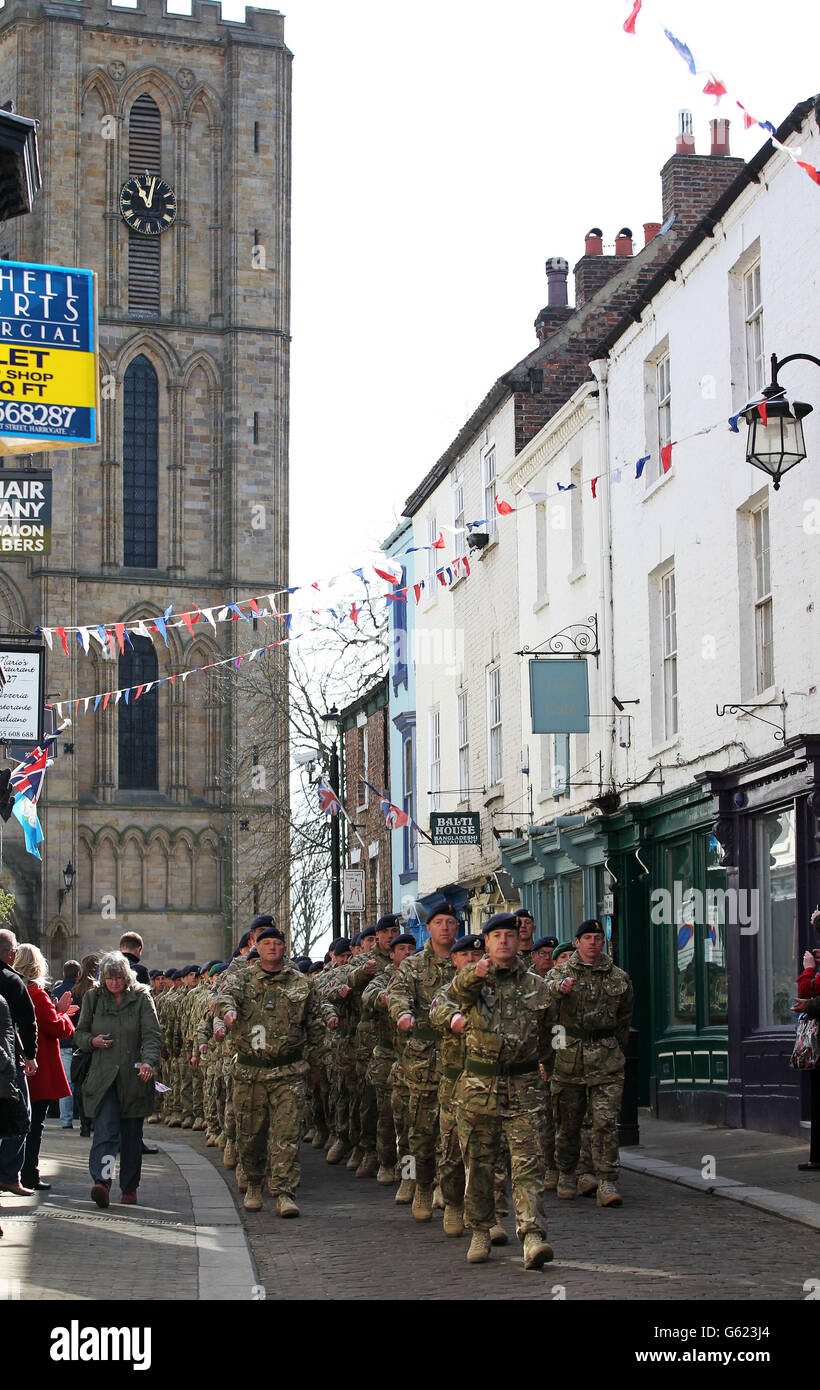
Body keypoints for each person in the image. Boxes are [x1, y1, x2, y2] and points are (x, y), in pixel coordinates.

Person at [438, 913, 554, 1269]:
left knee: (527, 1165)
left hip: (524, 1089)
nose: (504, 941)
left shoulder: (537, 986)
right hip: (478, 1089)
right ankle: (480, 1229)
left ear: (520, 941)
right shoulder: (470, 981)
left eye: (510, 935)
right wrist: (463, 1000)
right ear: (486, 943)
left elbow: (548, 1033)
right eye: (496, 936)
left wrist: (548, 1067)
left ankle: (532, 1235)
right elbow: (441, 1006)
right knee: (480, 1166)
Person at [214, 924, 325, 1216]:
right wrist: (228, 1013)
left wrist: (315, 1065)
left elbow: (315, 1025)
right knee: (251, 1135)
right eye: (267, 944)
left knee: (286, 1135)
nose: (273, 948)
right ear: (258, 948)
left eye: (278, 943)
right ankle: (253, 1183)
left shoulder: (301, 983)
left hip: (288, 1072)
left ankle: (284, 1192)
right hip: (250, 1074)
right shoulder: (241, 980)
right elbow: (224, 998)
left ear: (284, 948)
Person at [548, 918, 633, 1208]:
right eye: (587, 938)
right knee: (568, 1123)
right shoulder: (558, 974)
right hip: (569, 1059)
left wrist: (618, 1051)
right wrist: (559, 990)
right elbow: (544, 1011)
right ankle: (568, 1172)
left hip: (606, 1059)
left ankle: (607, 1180)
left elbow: (625, 1019)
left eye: (598, 938)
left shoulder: (618, 977)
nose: (593, 943)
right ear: (577, 942)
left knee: (605, 1123)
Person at [386, 902, 458, 1222]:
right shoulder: (413, 967)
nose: (445, 928)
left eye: (450, 922)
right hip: (423, 1062)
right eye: (439, 922)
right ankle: (421, 1184)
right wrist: (402, 1013)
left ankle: (448, 1187)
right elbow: (397, 995)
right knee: (421, 1131)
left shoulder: (466, 961)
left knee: (454, 1131)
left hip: (460, 1060)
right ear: (428, 928)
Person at [73, 950, 162, 1208]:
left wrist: (148, 1061)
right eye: (109, 978)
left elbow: (152, 1035)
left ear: (127, 977)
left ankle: (129, 1187)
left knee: (131, 1135)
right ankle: (103, 1182)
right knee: (107, 1130)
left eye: (118, 978)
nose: (113, 983)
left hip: (133, 1077)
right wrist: (92, 1041)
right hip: (103, 1078)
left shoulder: (142, 998)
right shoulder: (93, 998)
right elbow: (79, 1034)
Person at [13, 945, 78, 1191]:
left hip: (21, 1065)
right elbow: (56, 1028)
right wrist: (62, 1014)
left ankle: (17, 1170)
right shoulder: (36, 993)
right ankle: (28, 1172)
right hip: (38, 1068)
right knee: (34, 1124)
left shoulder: (15, 989)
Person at [0, 928, 37, 1197]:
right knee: (22, 1114)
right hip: (8, 1062)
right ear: (12, 954)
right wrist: (31, 1056)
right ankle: (8, 1173)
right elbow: (27, 1021)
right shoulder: (12, 981)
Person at [70, 954, 99, 1137]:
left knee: (80, 1083)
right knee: (95, 1083)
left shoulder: (75, 990)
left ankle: (84, 1123)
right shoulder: (97, 990)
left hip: (79, 1042)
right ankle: (95, 1120)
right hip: (94, 1041)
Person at [52, 960, 81, 1128]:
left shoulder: (56, 991)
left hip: (62, 1042)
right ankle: (83, 1117)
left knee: (67, 1081)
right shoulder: (82, 991)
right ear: (78, 974)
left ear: (63, 974)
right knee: (81, 1080)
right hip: (80, 1041)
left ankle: (66, 1119)